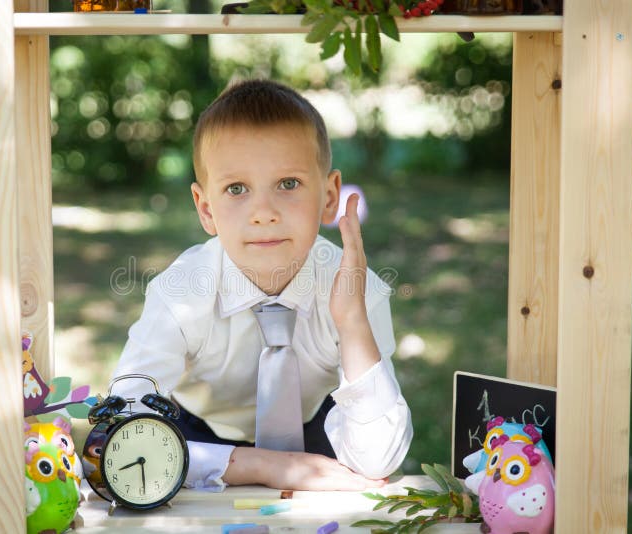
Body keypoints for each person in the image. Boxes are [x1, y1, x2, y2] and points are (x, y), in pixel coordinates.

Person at [111, 79, 412, 492]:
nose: (264, 213)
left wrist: (353, 323)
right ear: (206, 209)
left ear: (328, 197)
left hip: (317, 434)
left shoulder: (358, 291)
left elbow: (379, 457)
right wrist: (261, 467)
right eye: (237, 189)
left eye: (288, 184)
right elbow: (121, 428)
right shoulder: (179, 295)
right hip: (195, 440)